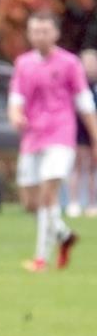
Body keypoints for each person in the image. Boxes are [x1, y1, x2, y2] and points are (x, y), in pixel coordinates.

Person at [9, 9, 97, 270]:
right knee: (30, 202)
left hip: (60, 135)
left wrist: (94, 137)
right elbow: (16, 99)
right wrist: (15, 116)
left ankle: (40, 259)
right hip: (32, 137)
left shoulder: (70, 64)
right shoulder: (23, 64)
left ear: (56, 33)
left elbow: (84, 103)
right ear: (29, 33)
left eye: (45, 31)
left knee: (48, 197)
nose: (40, 36)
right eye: (35, 31)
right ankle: (63, 235)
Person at [71, 48, 97, 218]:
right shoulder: (76, 85)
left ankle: (92, 204)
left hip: (94, 130)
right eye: (86, 62)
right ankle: (73, 203)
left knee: (93, 168)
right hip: (78, 129)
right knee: (78, 166)